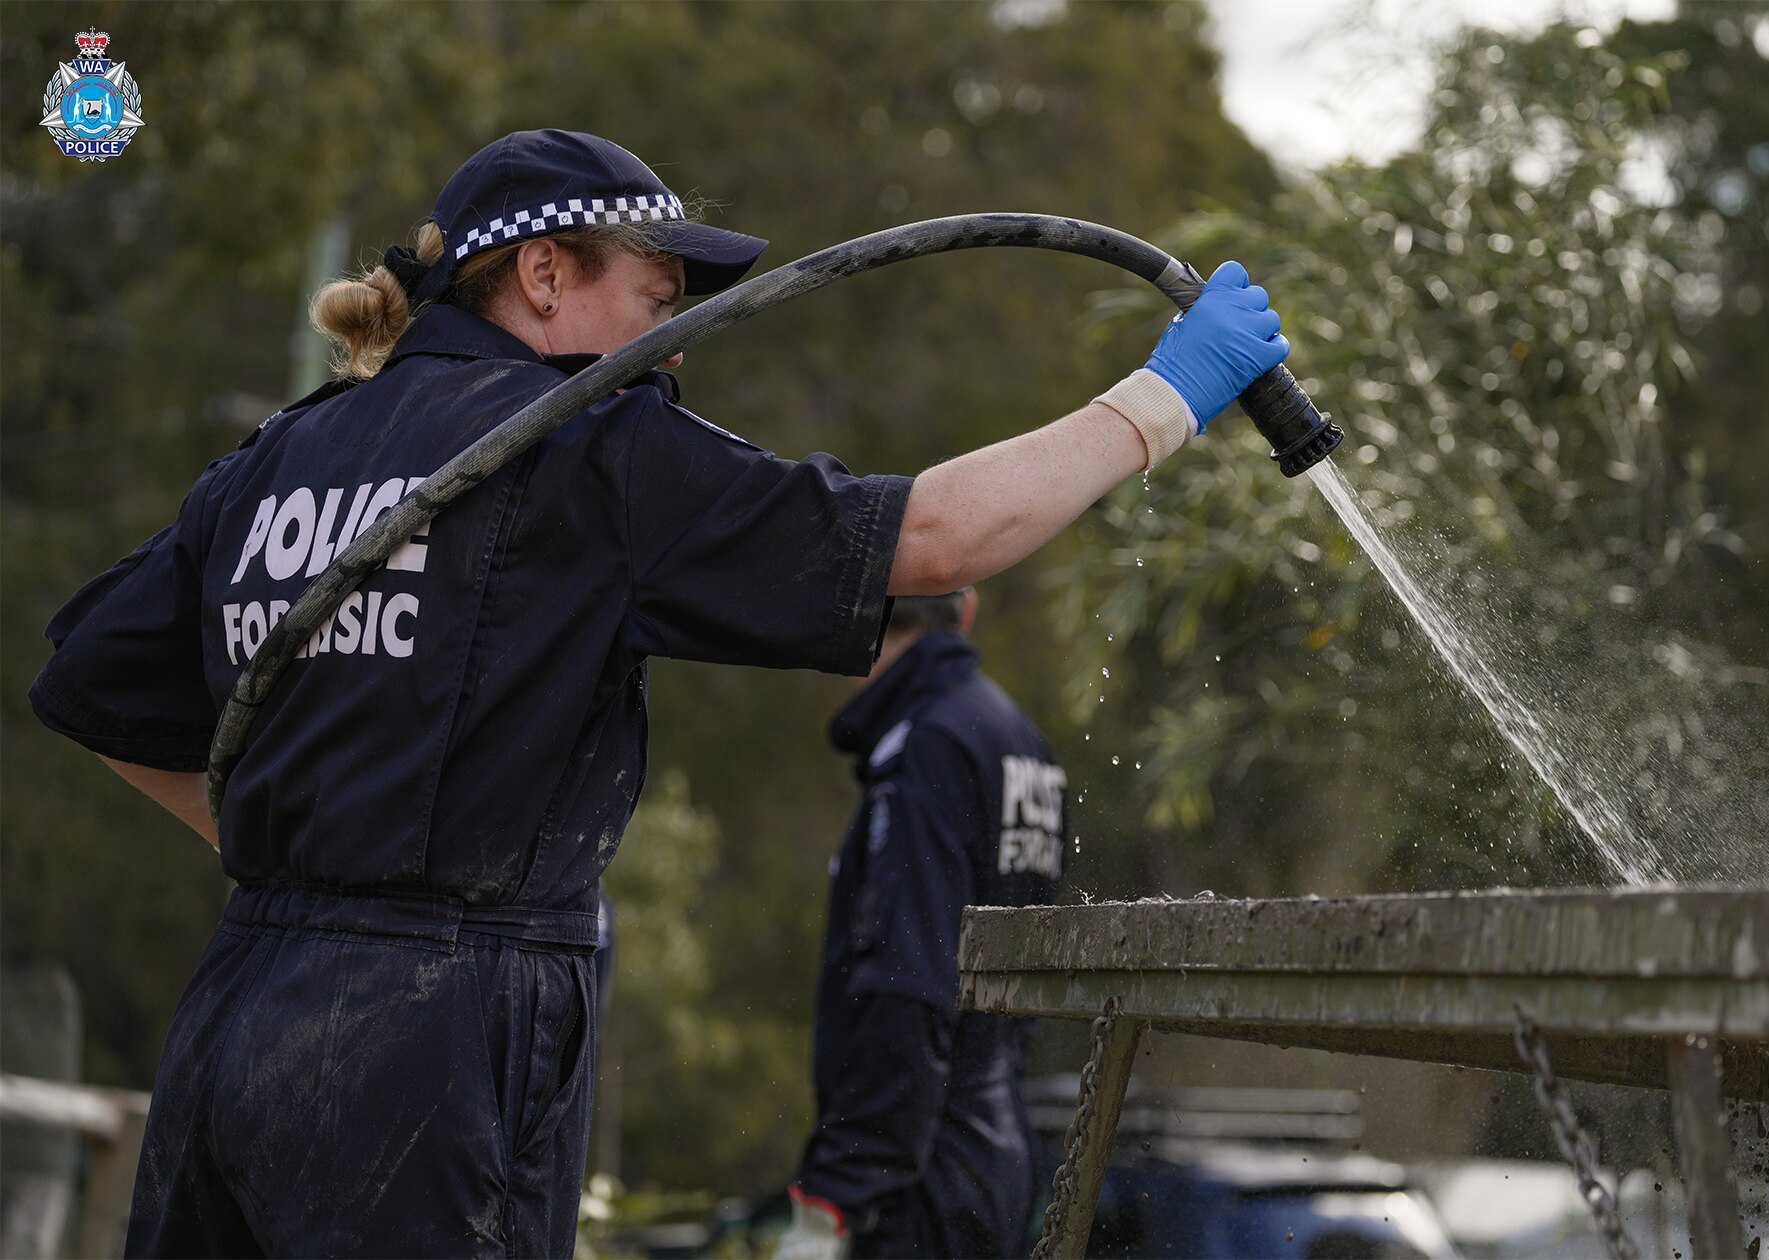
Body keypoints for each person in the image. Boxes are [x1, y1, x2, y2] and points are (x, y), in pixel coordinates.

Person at [28, 128, 1289, 1257]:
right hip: (440, 1037)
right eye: (657, 289)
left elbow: (88, 680)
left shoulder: (277, 457)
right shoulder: (582, 444)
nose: (677, 331)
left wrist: (277, 858)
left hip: (239, 1007)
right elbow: (932, 541)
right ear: (543, 275)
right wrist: (1168, 394)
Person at [781, 588, 1065, 1260]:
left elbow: (907, 983)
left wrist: (839, 1191)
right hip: (997, 1150)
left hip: (915, 1182)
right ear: (965, 612)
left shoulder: (925, 746)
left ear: (848, 627)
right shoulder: (1019, 739)